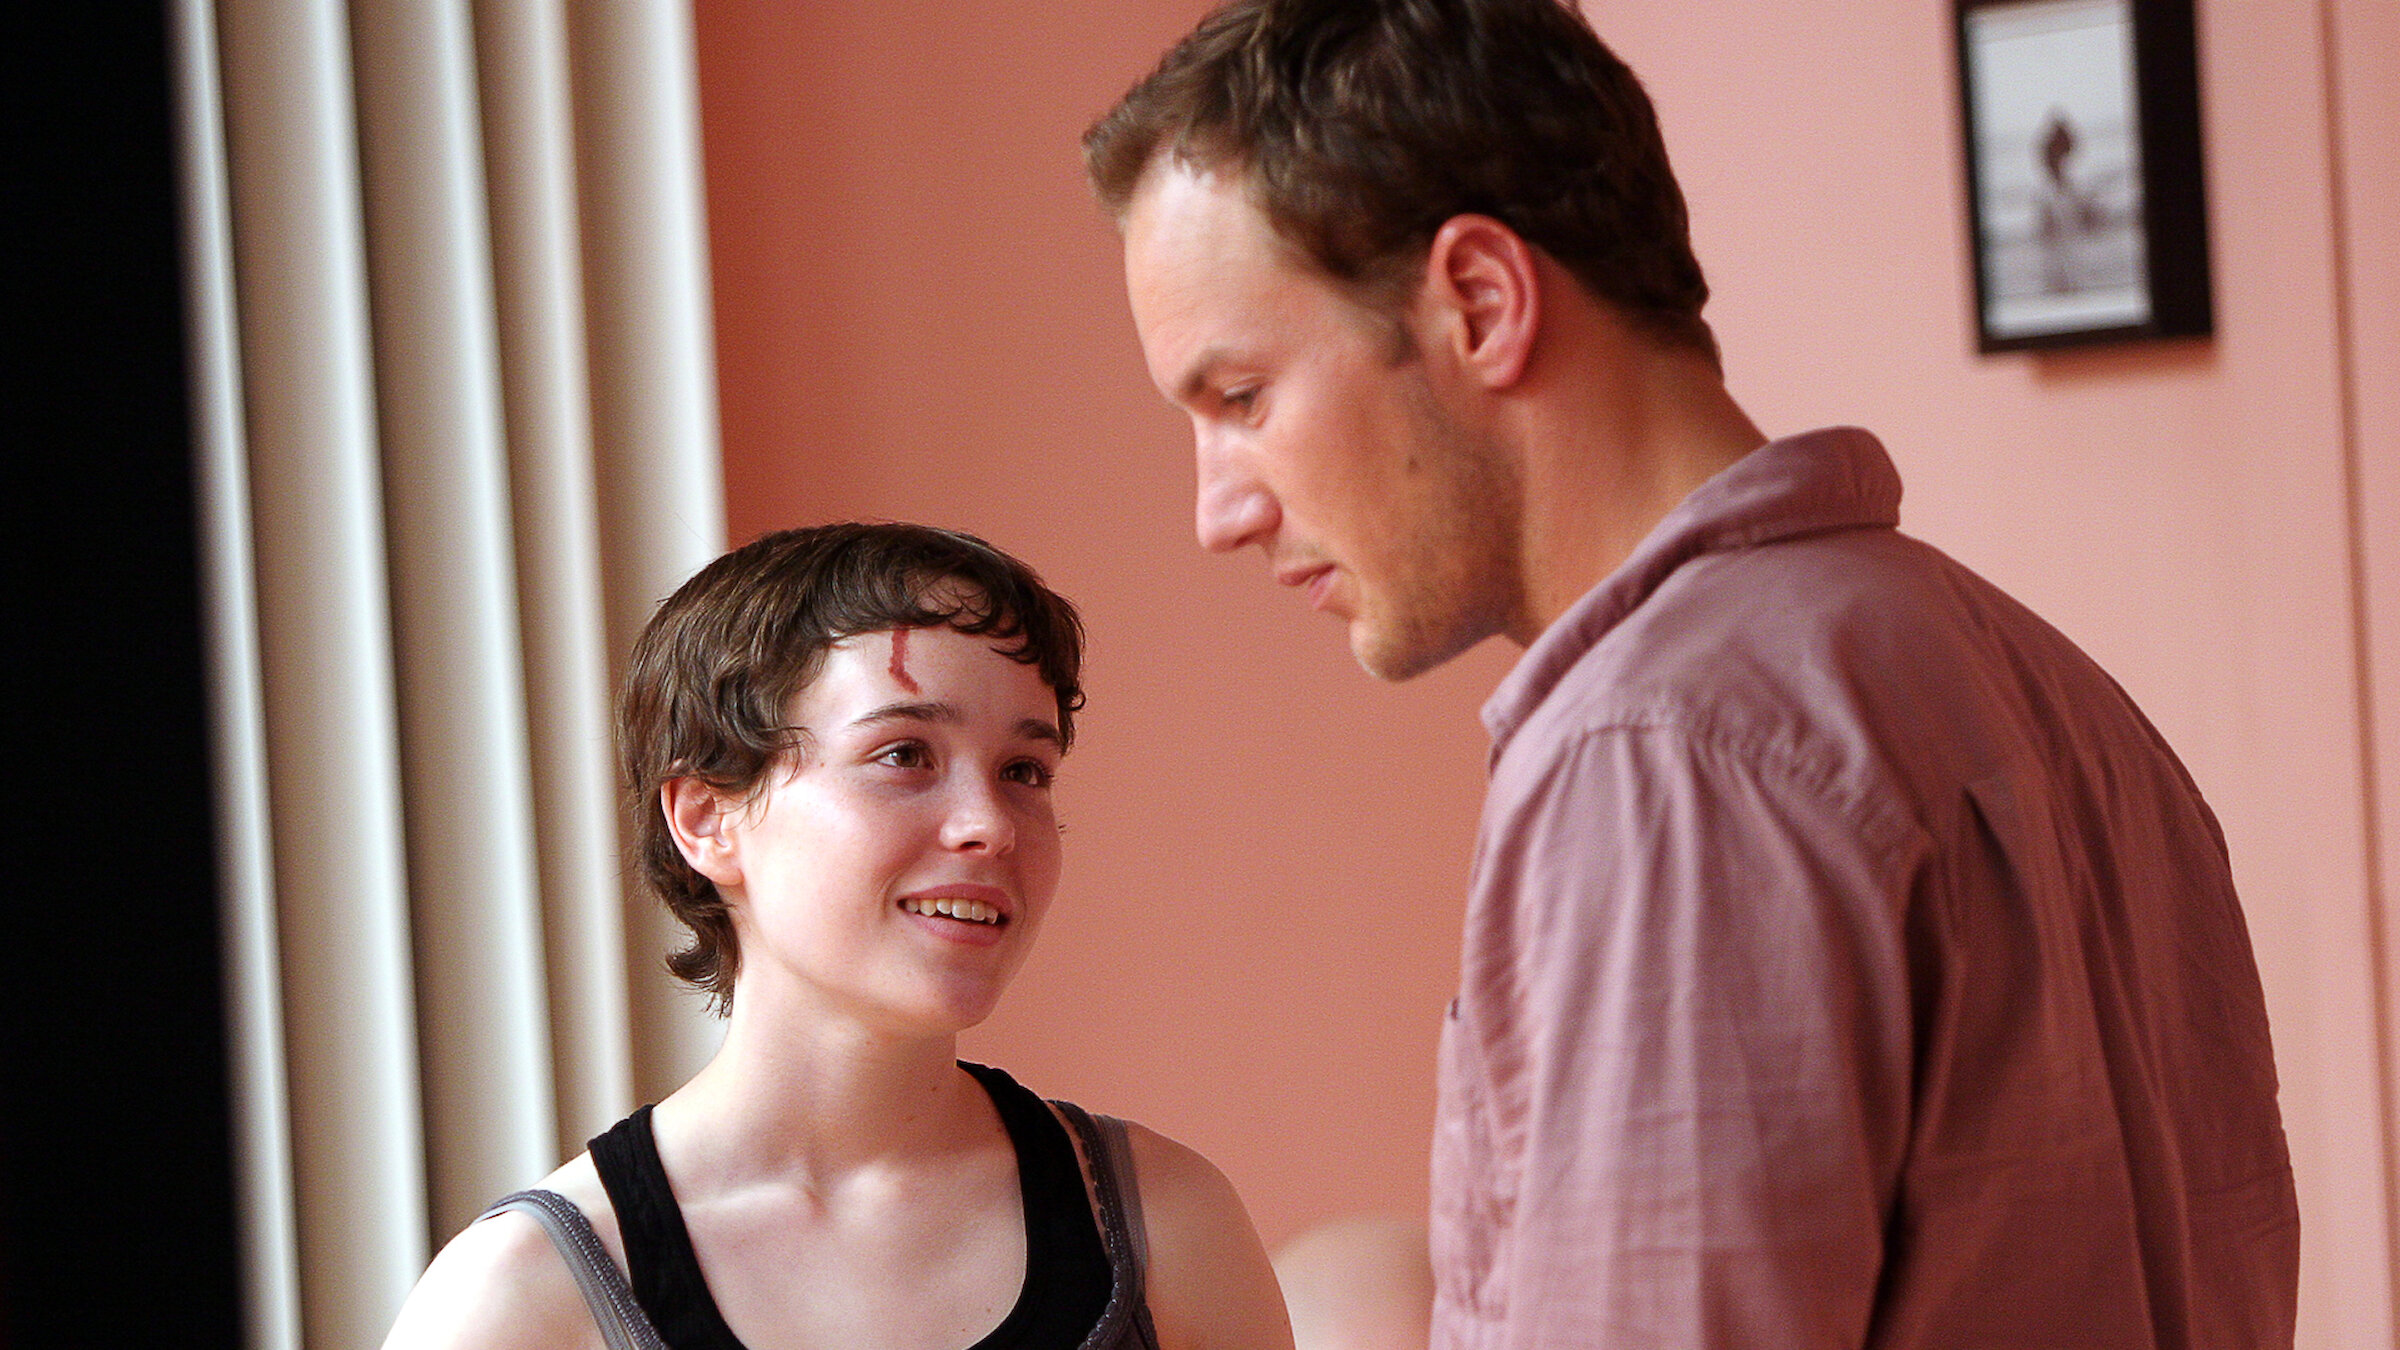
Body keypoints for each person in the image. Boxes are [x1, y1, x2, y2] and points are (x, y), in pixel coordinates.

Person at [1084, 1, 2299, 1346]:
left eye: (1240, 397)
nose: (1219, 511)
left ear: (1480, 302)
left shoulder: (1658, 756)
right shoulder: (2057, 691)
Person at [382, 523, 1293, 1350]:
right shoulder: (524, 1300)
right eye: (904, 755)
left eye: (1024, 769)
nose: (990, 825)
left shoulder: (1169, 1229)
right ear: (706, 819)